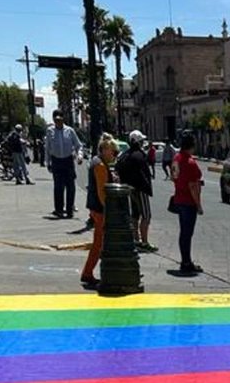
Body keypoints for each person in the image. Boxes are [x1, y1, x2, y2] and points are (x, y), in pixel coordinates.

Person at [80, 133, 118, 289]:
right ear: (104, 150)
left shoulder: (98, 162)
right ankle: (89, 273)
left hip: (95, 208)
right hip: (100, 209)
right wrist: (108, 211)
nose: (115, 154)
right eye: (113, 151)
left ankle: (90, 272)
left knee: (100, 242)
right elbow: (102, 192)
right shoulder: (100, 165)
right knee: (99, 243)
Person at [116, 130, 157, 251]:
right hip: (140, 189)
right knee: (146, 215)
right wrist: (146, 188)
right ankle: (144, 242)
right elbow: (144, 174)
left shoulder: (125, 155)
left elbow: (118, 168)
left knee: (135, 215)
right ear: (138, 142)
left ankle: (136, 239)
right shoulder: (139, 155)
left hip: (130, 190)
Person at [171, 132, 203, 275]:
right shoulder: (190, 163)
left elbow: (174, 176)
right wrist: (198, 204)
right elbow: (193, 186)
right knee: (187, 233)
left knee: (183, 232)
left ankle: (185, 260)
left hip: (178, 199)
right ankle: (186, 262)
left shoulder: (176, 159)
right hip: (188, 202)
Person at [45, 109, 82, 217]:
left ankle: (70, 209)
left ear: (63, 119)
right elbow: (47, 148)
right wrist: (48, 162)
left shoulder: (70, 131)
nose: (58, 122)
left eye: (60, 120)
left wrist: (79, 156)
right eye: (56, 120)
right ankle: (59, 209)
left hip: (68, 160)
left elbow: (78, 145)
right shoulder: (50, 131)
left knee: (71, 186)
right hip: (56, 161)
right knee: (58, 187)